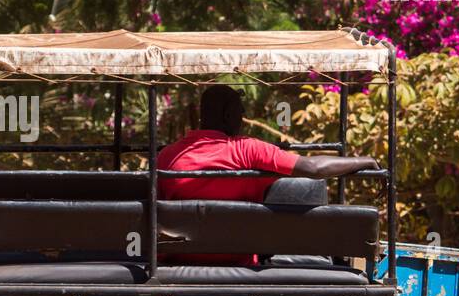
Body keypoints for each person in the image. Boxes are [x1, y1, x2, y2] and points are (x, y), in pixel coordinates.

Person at [158, 84, 378, 263]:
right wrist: (365, 160)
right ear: (228, 115)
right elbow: (314, 168)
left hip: (176, 262)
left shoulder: (167, 156)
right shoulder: (248, 149)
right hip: (240, 264)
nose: (243, 118)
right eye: (240, 112)